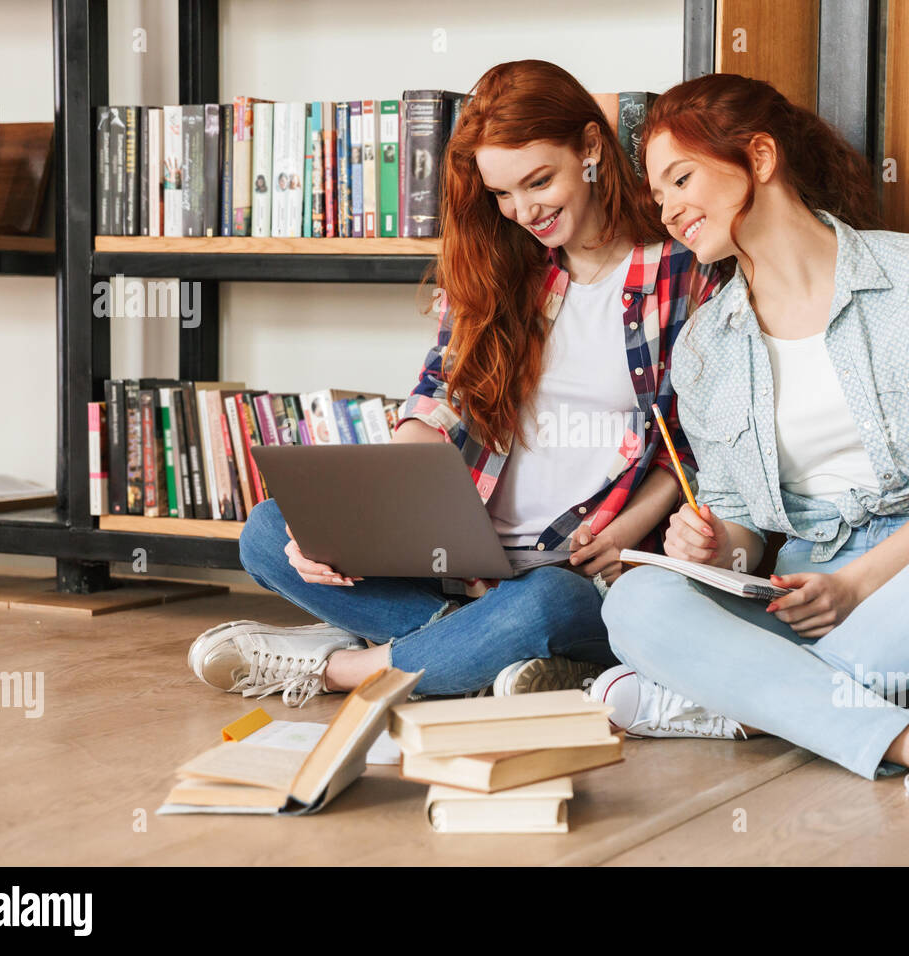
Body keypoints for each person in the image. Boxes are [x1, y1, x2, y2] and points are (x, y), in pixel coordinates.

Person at [187, 61, 726, 706]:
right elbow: (437, 399)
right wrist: (372, 521)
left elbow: (693, 442)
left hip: (578, 568)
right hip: (460, 564)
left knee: (548, 605)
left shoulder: (683, 271)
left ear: (588, 149)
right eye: (502, 194)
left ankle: (336, 667)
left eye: (539, 181)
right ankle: (482, 654)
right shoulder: (500, 268)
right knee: (269, 533)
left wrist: (626, 529)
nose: (524, 211)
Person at [594, 73, 909, 801]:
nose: (669, 211)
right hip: (794, 602)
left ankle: (742, 707)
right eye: (659, 196)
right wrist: (720, 545)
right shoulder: (705, 345)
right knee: (634, 600)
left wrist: (857, 584)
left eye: (680, 179)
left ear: (758, 157)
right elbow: (745, 528)